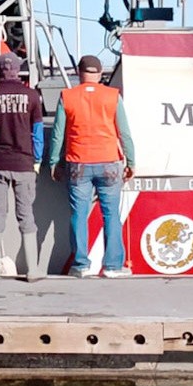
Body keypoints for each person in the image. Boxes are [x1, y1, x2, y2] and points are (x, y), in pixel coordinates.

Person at [45, 55, 136, 278]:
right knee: (111, 215)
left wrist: (54, 161)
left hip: (78, 163)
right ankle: (113, 267)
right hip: (109, 163)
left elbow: (57, 134)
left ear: (79, 71)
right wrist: (131, 162)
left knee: (79, 213)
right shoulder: (112, 96)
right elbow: (124, 133)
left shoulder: (67, 96)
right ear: (100, 73)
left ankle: (81, 265)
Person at [0, 52, 45, 282]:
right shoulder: (32, 96)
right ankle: (32, 270)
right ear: (18, 69)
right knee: (26, 216)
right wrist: (37, 162)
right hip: (24, 164)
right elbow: (37, 135)